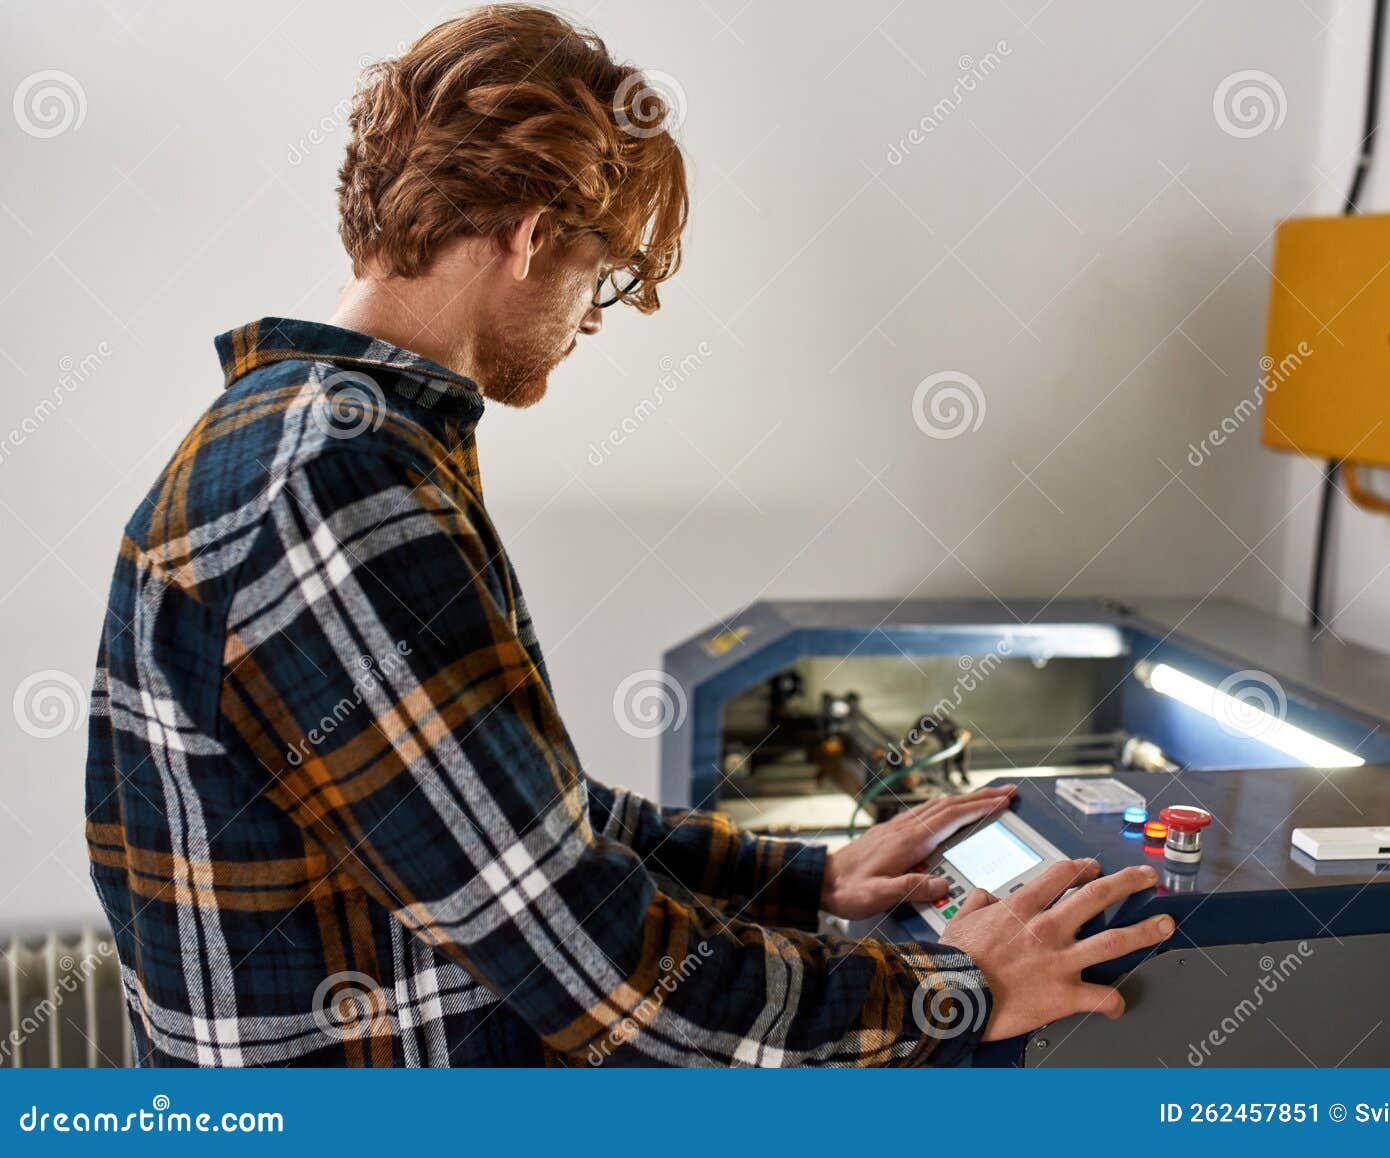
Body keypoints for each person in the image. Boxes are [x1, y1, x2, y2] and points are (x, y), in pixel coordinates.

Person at [84, 3, 1172, 1067]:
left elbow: (507, 817)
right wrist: (957, 993)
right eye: (603, 274)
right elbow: (595, 968)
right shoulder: (336, 486)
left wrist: (803, 880)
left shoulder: (320, 439)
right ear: (532, 235)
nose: (595, 315)